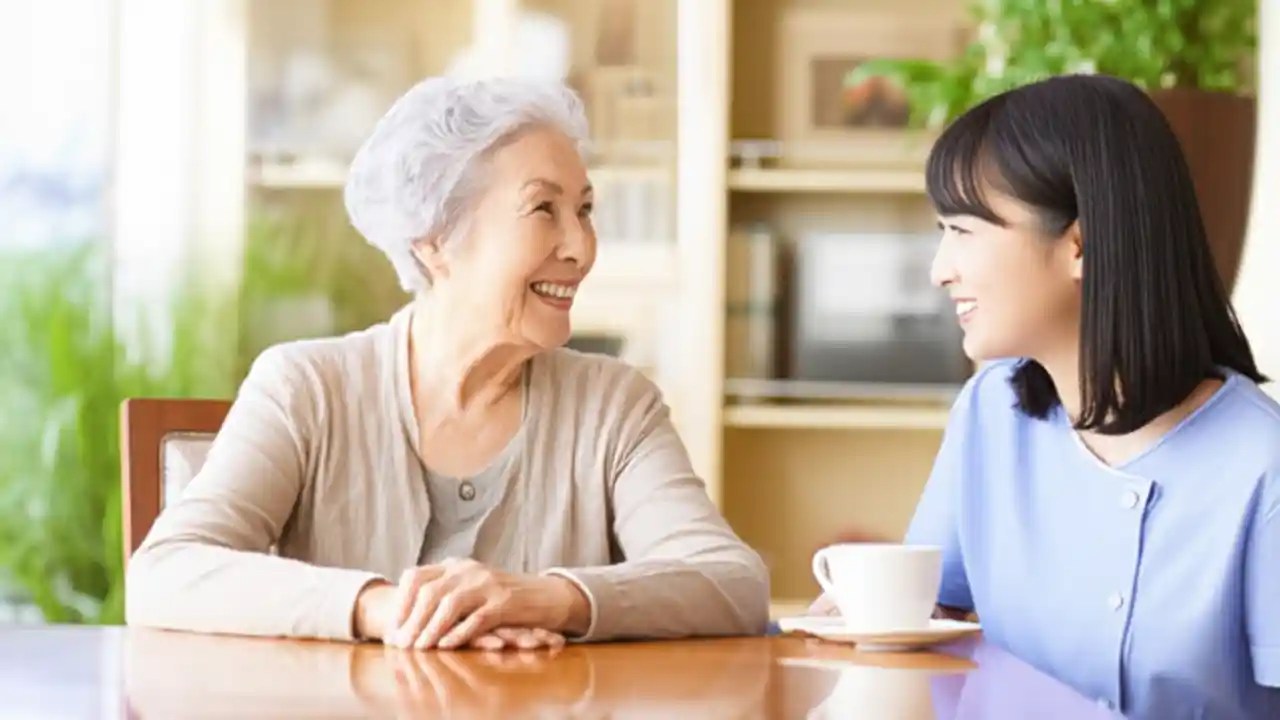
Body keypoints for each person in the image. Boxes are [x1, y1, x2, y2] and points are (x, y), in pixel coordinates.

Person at [126, 76, 769, 650]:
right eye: (544, 209)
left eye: (585, 210)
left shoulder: (613, 405)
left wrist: (545, 597)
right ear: (434, 240)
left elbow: (729, 581)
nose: (581, 246)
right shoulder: (306, 388)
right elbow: (166, 572)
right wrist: (384, 609)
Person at [814, 74, 1279, 718]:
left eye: (963, 230)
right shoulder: (990, 415)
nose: (939, 268)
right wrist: (864, 616)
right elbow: (930, 617)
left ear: (1079, 244)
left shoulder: (1262, 463)